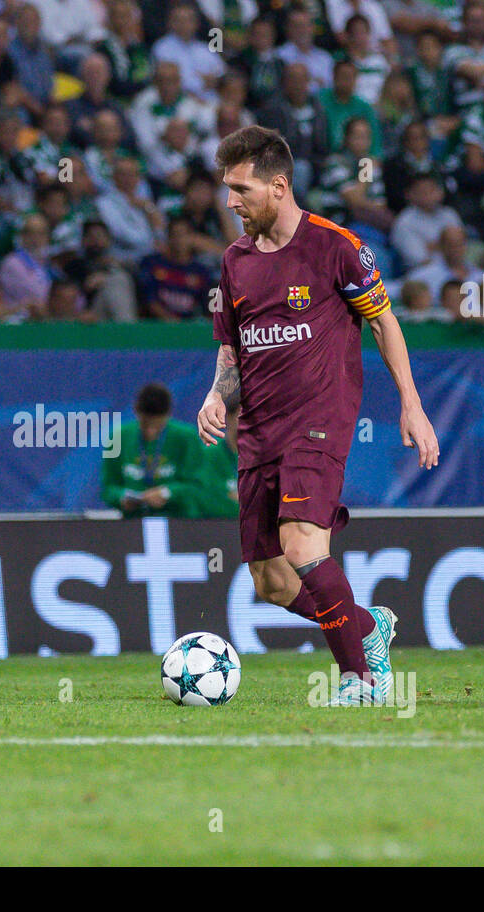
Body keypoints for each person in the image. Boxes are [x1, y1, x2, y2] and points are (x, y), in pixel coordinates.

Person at [197, 125, 440, 706]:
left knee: (305, 546)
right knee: (273, 582)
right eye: (227, 189)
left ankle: (362, 683)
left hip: (319, 421)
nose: (230, 202)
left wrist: (411, 402)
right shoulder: (235, 263)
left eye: (240, 189)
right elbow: (232, 348)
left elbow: (383, 321)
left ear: (279, 186)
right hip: (257, 433)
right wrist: (214, 396)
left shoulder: (336, 246)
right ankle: (365, 626)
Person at [101, 383, 209, 519]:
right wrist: (121, 497)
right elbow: (107, 488)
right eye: (145, 424)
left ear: (168, 415)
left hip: (179, 521)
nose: (150, 432)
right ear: (136, 412)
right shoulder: (116, 438)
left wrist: (168, 493)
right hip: (134, 522)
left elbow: (198, 487)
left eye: (157, 426)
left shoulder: (188, 438)